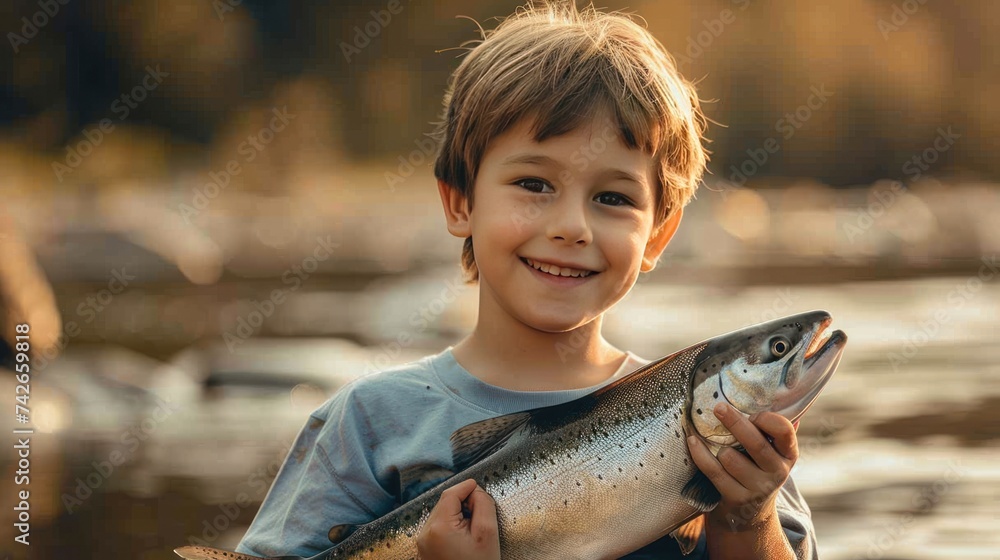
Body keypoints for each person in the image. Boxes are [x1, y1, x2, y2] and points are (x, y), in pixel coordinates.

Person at [236, 2, 818, 558]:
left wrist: (748, 517)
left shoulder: (740, 442)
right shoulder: (367, 424)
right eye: (534, 185)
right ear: (460, 202)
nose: (572, 227)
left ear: (659, 237)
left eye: (613, 198)